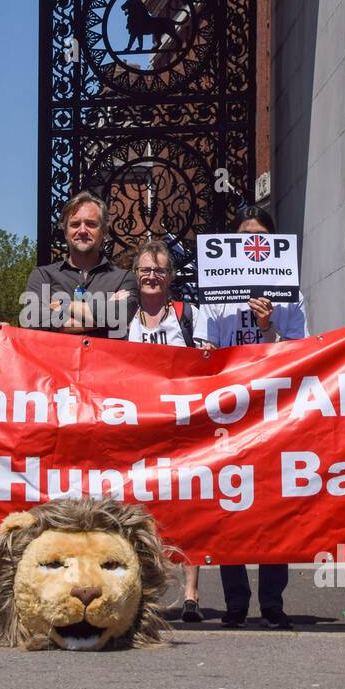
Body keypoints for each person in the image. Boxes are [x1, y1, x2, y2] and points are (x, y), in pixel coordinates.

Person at [195, 208, 304, 630]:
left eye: (260, 238)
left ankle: (273, 602)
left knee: (274, 505)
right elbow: (205, 352)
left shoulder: (291, 296)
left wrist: (268, 326)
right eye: (243, 238)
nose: (251, 246)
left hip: (274, 412)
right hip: (229, 411)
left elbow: (301, 354)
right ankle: (235, 601)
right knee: (231, 502)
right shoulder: (214, 295)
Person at [125, 238, 205, 621]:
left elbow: (208, 363)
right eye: (144, 270)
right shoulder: (123, 315)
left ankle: (190, 593)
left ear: (170, 276)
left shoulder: (187, 313)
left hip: (182, 425)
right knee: (142, 508)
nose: (151, 276)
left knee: (188, 507)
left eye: (158, 270)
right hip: (139, 426)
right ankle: (147, 588)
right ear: (135, 275)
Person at [22, 190, 138, 338]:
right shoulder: (43, 276)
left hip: (106, 360)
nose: (82, 230)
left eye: (91, 224)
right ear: (65, 232)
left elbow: (120, 315)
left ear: (103, 231)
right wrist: (104, 314)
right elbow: (34, 322)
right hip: (58, 361)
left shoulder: (124, 278)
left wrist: (63, 305)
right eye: (75, 224)